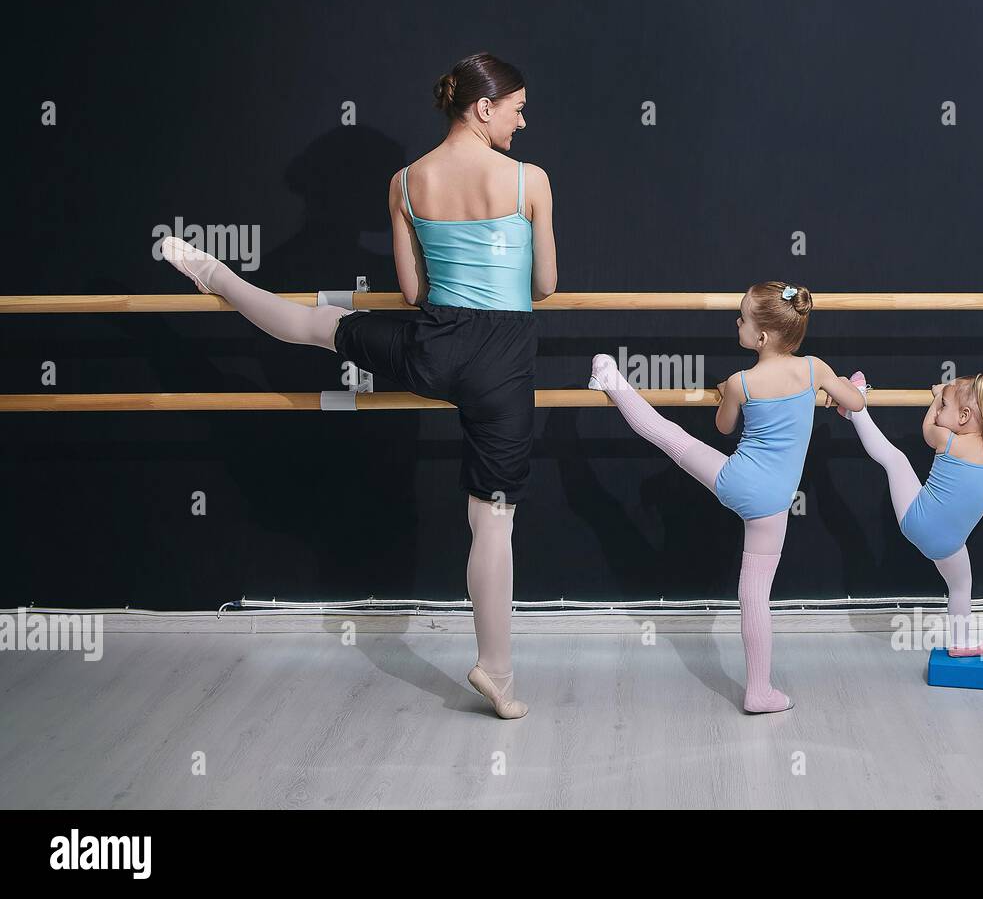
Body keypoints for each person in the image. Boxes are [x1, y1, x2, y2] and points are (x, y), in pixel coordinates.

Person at [161, 52, 556, 718]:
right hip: (503, 364)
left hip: (433, 348)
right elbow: (543, 286)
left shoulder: (405, 183)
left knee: (320, 326)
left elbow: (410, 290)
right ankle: (497, 672)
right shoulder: (529, 181)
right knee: (491, 519)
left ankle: (220, 280)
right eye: (518, 107)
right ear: (484, 107)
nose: (525, 118)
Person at [588, 282, 865, 713]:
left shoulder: (740, 382)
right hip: (776, 502)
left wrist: (726, 395)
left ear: (761, 338)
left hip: (737, 482)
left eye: (742, 318)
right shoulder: (815, 369)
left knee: (669, 435)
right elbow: (856, 403)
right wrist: (846, 391)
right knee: (755, 596)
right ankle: (759, 691)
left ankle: (607, 375)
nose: (736, 322)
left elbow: (722, 429)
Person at [832, 371, 983, 655]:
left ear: (963, 417)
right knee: (961, 587)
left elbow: (927, 427)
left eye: (946, 406)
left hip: (919, 521)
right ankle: (962, 642)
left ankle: (858, 409)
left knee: (895, 459)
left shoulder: (947, 440)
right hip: (949, 546)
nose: (941, 409)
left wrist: (936, 397)